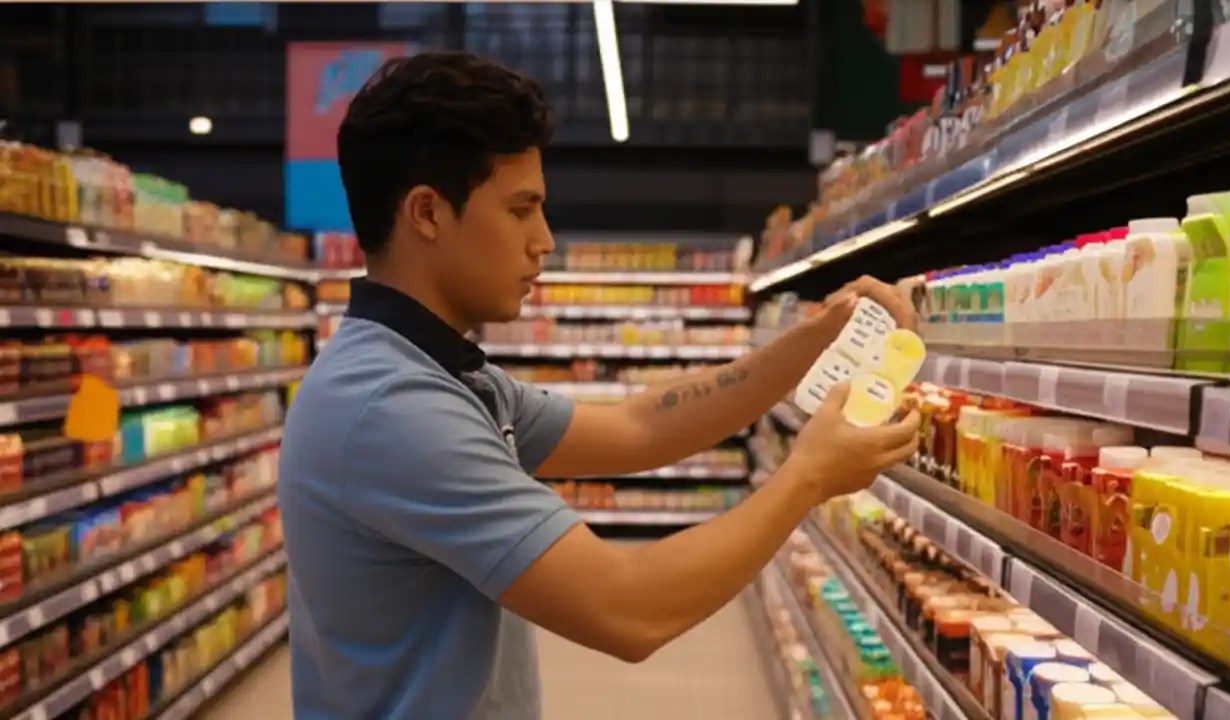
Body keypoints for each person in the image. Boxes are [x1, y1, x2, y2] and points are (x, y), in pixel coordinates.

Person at [278, 50, 921, 720]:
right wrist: (809, 475)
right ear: (428, 213)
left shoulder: (441, 372)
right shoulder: (391, 407)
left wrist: (815, 339)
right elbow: (629, 608)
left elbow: (635, 430)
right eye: (521, 209)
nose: (544, 240)